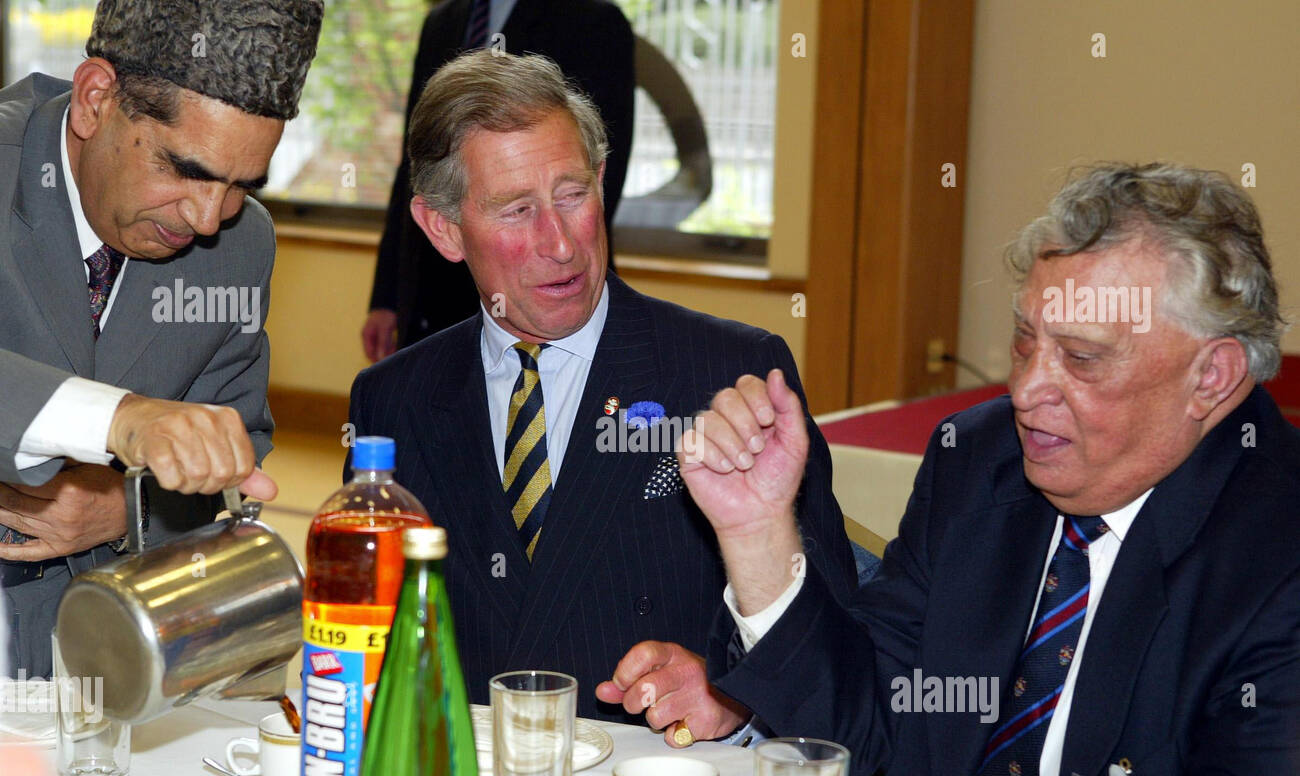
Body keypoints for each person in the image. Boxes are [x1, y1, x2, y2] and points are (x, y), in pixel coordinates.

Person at [616, 162, 1300, 776]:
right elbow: (870, 719)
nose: (1029, 389)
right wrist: (758, 533)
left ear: (1211, 377)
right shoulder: (980, 462)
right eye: (1026, 340)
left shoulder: (1278, 544)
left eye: (1083, 357)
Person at [347, 50, 857, 725]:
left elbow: (842, 642)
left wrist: (733, 688)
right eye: (516, 210)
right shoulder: (392, 401)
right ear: (443, 229)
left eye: (572, 195)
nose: (559, 243)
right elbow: (365, 642)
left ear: (603, 180)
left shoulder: (730, 376)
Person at [0, 0, 323, 677]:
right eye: (187, 170)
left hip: (108, 657)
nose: (208, 220)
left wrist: (123, 508)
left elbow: (235, 449)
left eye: (242, 185)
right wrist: (121, 421)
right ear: (94, 100)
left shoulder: (241, 243)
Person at [361, 0, 635, 360]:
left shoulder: (593, 20)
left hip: (552, 294)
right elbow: (414, 169)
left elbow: (600, 167)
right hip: (434, 293)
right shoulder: (442, 22)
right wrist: (387, 296)